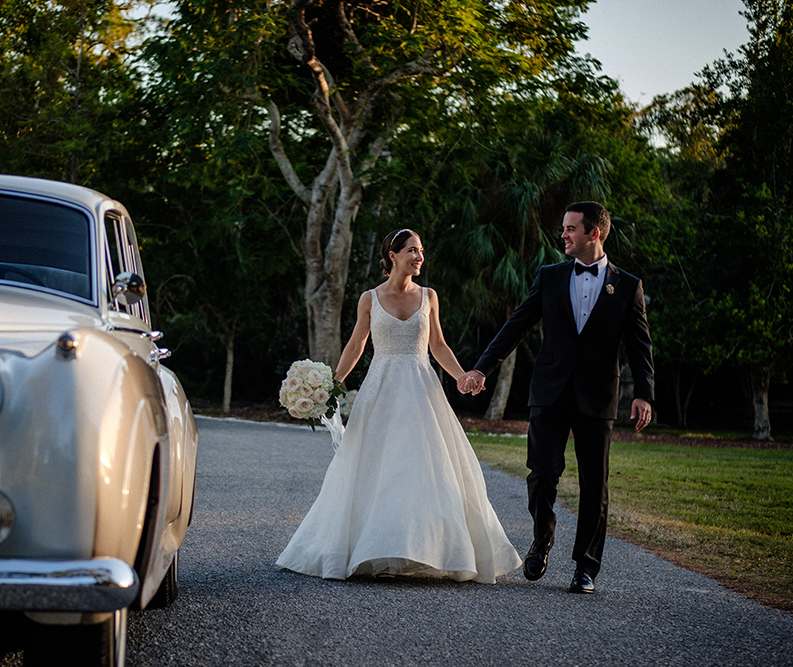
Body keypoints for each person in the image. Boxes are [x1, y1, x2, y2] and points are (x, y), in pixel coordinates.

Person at [276, 229, 522, 583]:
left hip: (422, 390)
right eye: (411, 250)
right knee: (377, 466)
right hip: (381, 388)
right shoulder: (369, 298)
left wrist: (461, 376)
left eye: (421, 251)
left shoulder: (429, 296)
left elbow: (437, 345)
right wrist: (333, 385)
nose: (419, 257)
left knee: (424, 468)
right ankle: (368, 548)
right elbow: (356, 344)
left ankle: (426, 548)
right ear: (392, 255)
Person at [458, 201, 655, 595]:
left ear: (593, 233)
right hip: (549, 391)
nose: (562, 235)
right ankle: (541, 539)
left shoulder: (629, 285)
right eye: (563, 228)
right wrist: (482, 368)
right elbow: (517, 324)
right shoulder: (549, 277)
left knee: (594, 484)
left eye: (570, 229)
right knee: (541, 473)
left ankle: (586, 566)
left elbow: (639, 345)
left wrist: (645, 394)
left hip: (597, 396)